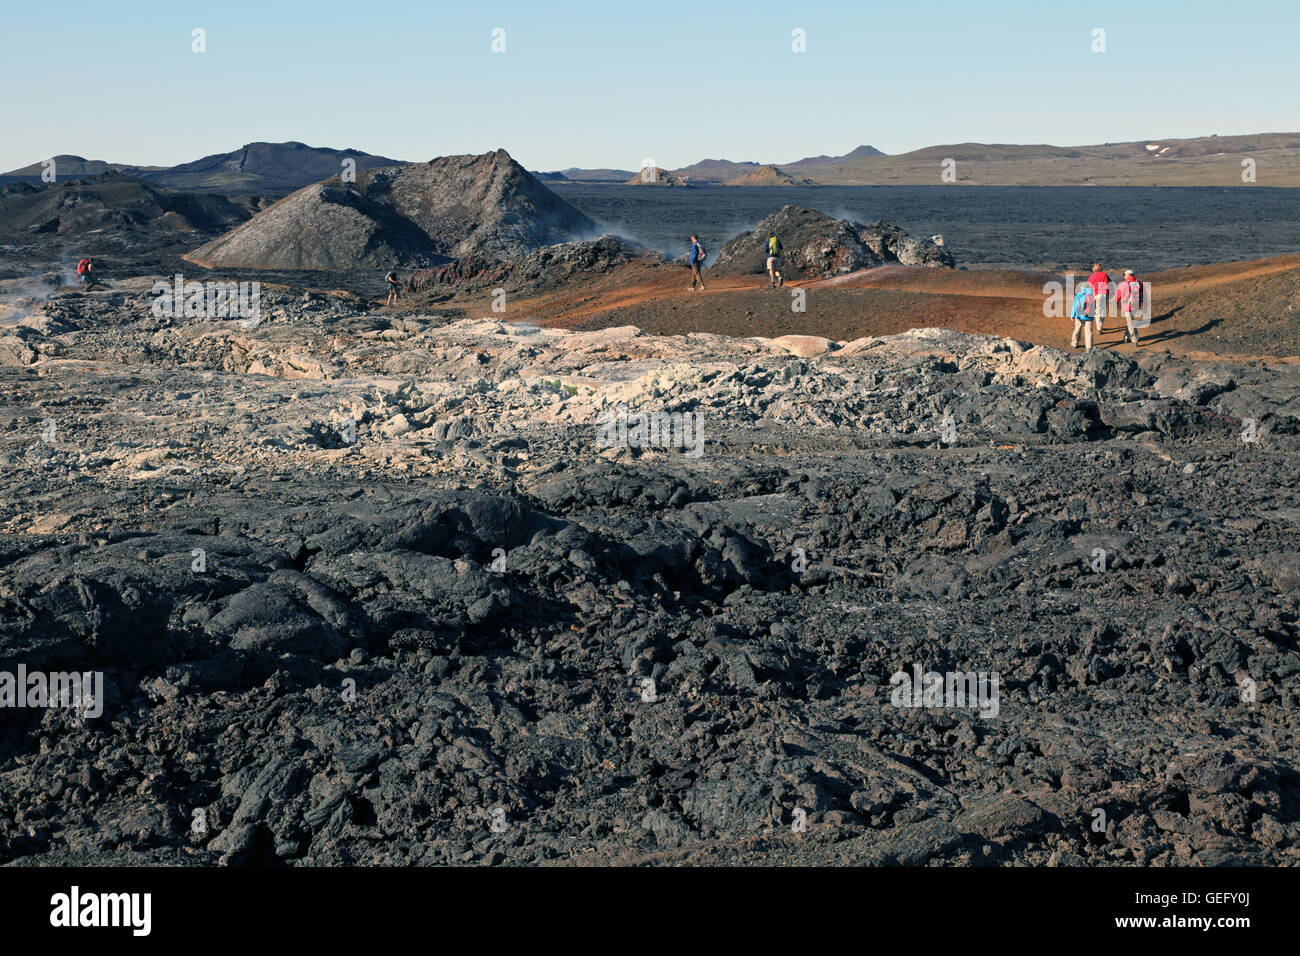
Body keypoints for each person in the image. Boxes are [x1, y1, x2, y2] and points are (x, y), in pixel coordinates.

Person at [1114, 269, 1143, 345]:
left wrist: (1115, 302)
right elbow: (1142, 294)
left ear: (1128, 275)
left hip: (1127, 306)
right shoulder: (1139, 283)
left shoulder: (1124, 284)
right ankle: (1126, 337)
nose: (1124, 276)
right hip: (1136, 305)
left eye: (1125, 275)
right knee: (1130, 321)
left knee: (1130, 323)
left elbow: (1118, 294)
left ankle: (1134, 340)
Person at [1070, 278, 1095, 350]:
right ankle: (1089, 347)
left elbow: (1075, 306)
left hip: (1079, 316)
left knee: (1077, 329)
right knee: (1088, 331)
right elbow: (1094, 306)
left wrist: (1072, 315)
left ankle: (1074, 343)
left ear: (1082, 288)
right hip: (1089, 316)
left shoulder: (1080, 295)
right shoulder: (1092, 295)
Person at [1087, 263, 1111, 334]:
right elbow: (1110, 283)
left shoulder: (1092, 275)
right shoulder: (1104, 274)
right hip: (1103, 293)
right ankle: (1101, 325)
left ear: (1094, 268)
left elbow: (1088, 286)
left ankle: (1099, 328)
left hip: (1095, 293)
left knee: (1097, 311)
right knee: (1102, 310)